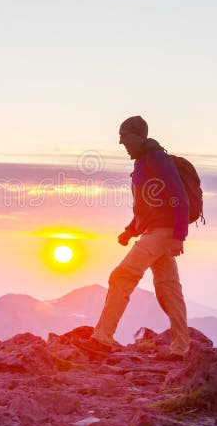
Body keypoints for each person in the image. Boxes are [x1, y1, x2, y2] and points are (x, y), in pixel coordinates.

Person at [75, 115, 191, 361]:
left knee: (122, 276)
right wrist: (130, 231)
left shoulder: (157, 159)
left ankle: (102, 340)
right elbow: (147, 207)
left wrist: (179, 235)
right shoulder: (143, 163)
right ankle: (181, 349)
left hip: (162, 233)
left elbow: (178, 196)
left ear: (138, 136)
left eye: (124, 136)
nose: (120, 142)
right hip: (155, 232)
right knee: (169, 291)